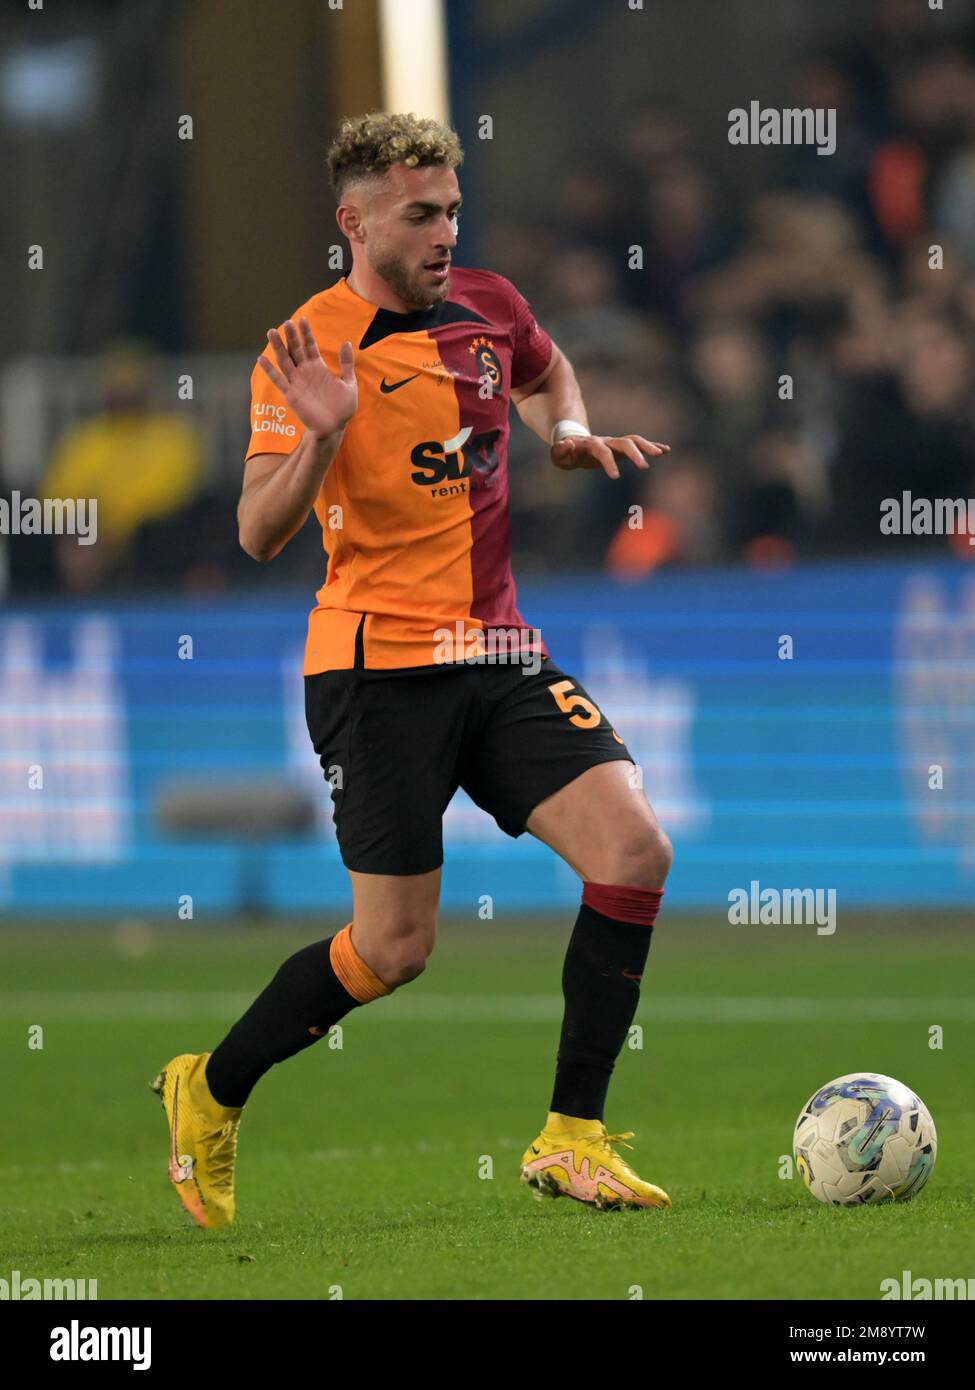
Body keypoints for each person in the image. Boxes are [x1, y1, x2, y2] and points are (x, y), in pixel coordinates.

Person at [152, 111, 674, 1226]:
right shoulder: (305, 348)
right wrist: (322, 439)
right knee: (394, 949)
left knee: (635, 847)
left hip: (496, 650)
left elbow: (546, 371)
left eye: (451, 210)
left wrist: (567, 428)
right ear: (356, 223)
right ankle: (212, 1086)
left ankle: (570, 1135)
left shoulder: (490, 305)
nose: (445, 232)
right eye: (420, 214)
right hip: (374, 668)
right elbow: (254, 531)